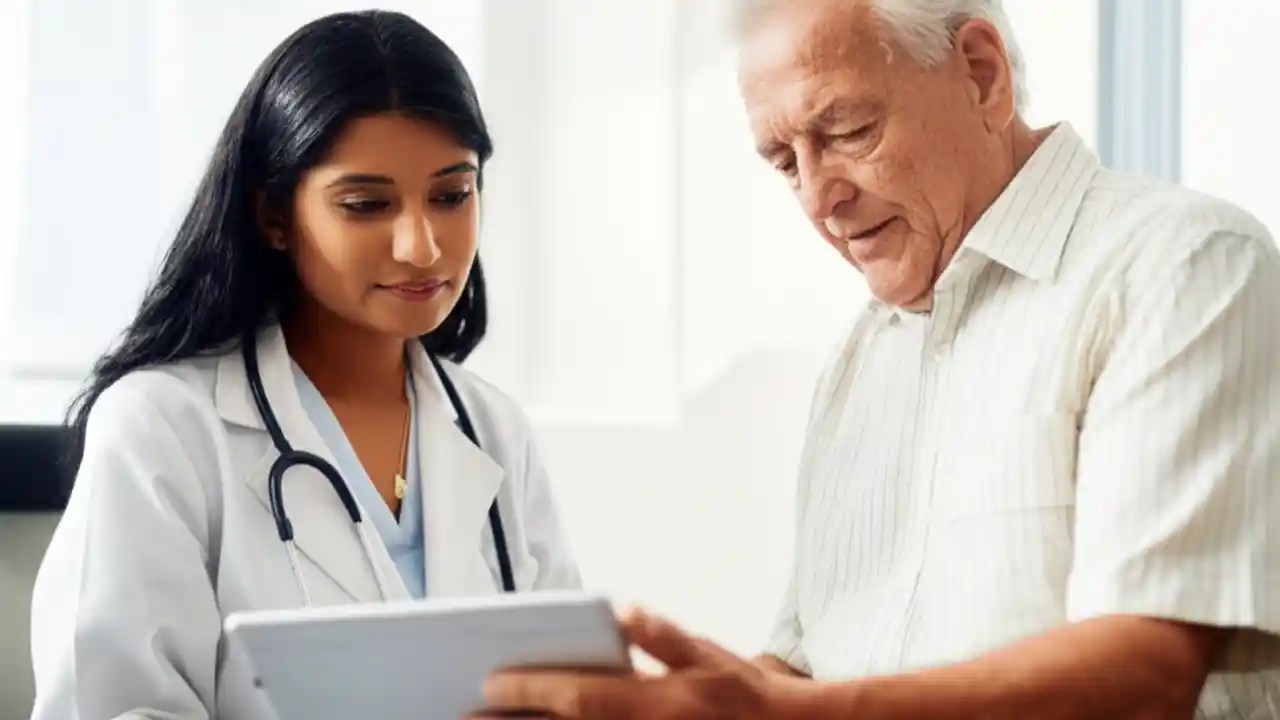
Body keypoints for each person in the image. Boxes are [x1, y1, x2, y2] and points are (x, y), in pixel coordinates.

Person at [477, 0, 1280, 717]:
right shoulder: (863, 357)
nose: (819, 201)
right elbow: (807, 667)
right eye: (786, 162)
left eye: (850, 132)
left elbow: (1148, 673)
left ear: (982, 73)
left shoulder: (1185, 265)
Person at [29, 10, 580, 719]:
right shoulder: (162, 427)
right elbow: (110, 706)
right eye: (366, 204)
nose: (422, 245)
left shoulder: (493, 430)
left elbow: (572, 691)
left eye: (451, 195)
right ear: (274, 217)